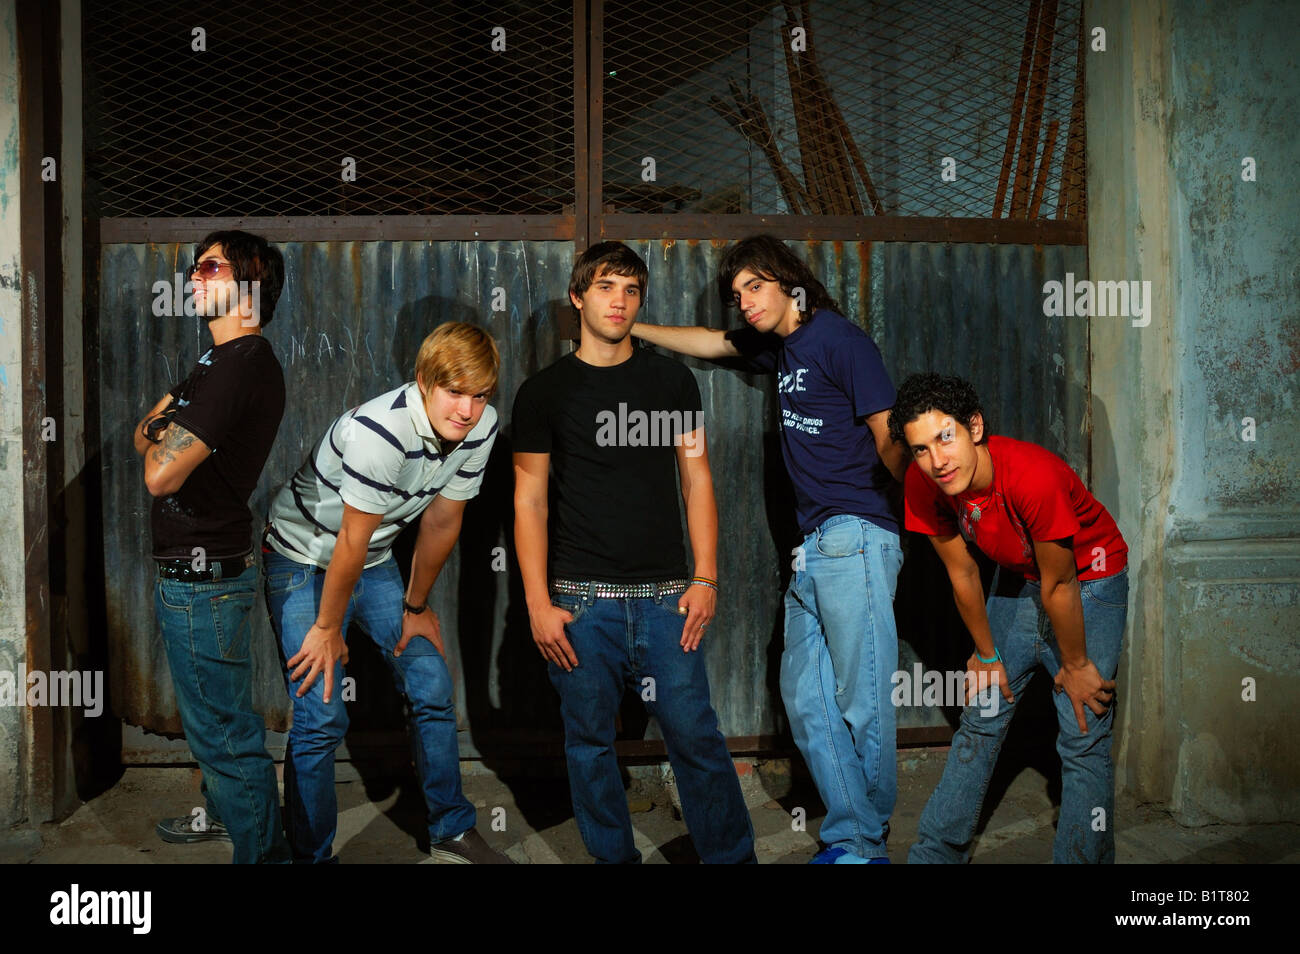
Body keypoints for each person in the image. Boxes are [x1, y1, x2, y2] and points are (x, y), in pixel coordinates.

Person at [631, 235, 907, 863]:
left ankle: (865, 845)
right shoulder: (784, 349)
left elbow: (890, 437)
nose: (744, 303)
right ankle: (852, 836)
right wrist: (627, 326)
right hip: (811, 548)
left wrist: (900, 516)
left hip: (856, 535)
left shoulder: (841, 340)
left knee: (861, 700)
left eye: (755, 287)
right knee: (806, 698)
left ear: (789, 281)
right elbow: (711, 341)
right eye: (737, 294)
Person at [512, 241, 755, 864]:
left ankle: (731, 858)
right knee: (588, 742)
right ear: (578, 297)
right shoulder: (543, 393)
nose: (619, 301)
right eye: (605, 287)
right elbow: (529, 502)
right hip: (580, 604)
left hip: (666, 599)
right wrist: (537, 602)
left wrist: (707, 578)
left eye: (631, 290)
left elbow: (696, 479)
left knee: (696, 737)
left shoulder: (671, 379)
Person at [262, 321, 509, 864]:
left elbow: (443, 521)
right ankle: (310, 855)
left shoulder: (481, 426)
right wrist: (327, 630)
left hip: (372, 561)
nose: (467, 410)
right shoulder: (381, 430)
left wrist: (416, 607)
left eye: (479, 394)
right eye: (454, 392)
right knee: (322, 711)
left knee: (430, 683)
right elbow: (349, 538)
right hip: (304, 559)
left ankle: (450, 828)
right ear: (424, 381)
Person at [890, 373, 1129, 864]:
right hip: (1020, 576)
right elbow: (962, 574)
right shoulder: (923, 484)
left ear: (974, 427)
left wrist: (1077, 663)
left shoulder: (1032, 476)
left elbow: (1059, 585)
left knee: (1083, 732)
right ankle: (932, 857)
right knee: (980, 711)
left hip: (1089, 577)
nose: (936, 461)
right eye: (920, 449)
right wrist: (986, 654)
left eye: (945, 437)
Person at [138, 229, 291, 863]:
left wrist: (161, 432)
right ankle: (245, 827)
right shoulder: (213, 362)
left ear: (249, 282)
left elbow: (156, 472)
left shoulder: (239, 366)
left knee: (226, 739)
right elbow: (142, 432)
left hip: (203, 581)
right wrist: (161, 430)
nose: (194, 277)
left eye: (210, 266)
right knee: (217, 735)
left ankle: (267, 856)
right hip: (193, 575)